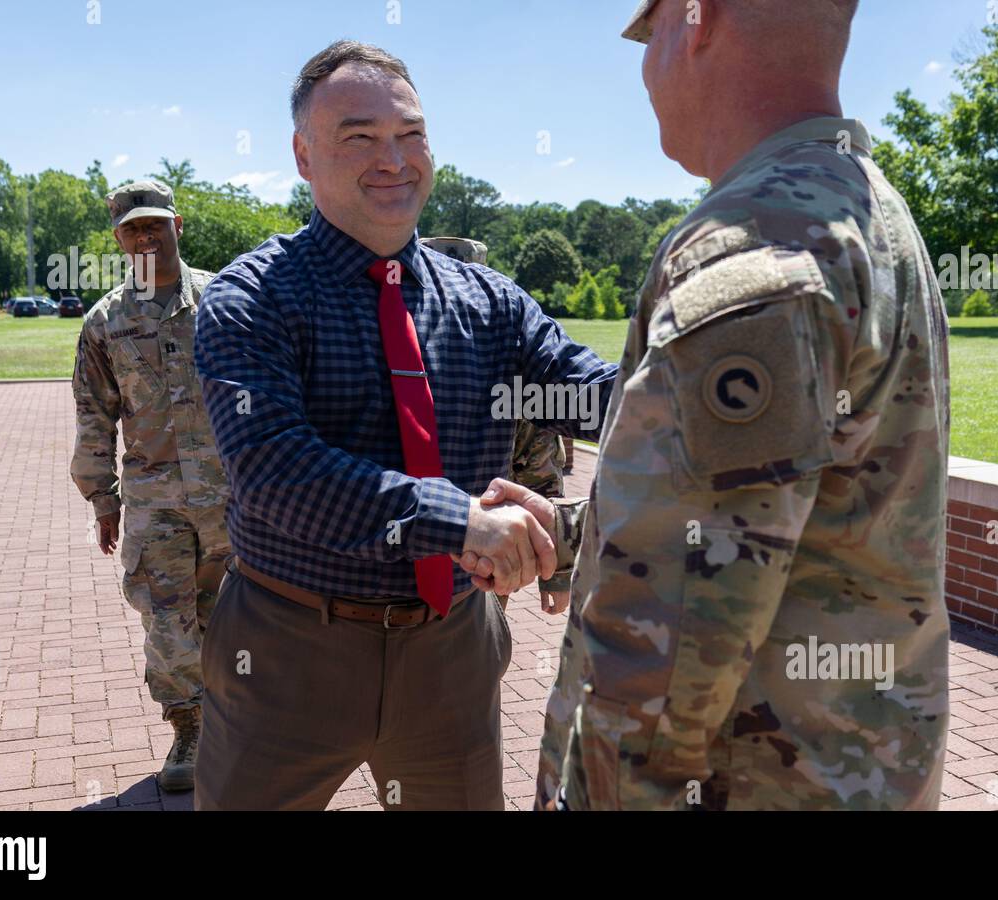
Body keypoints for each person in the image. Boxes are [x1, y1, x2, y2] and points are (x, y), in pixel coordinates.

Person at [476, 0, 952, 810]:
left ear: (695, 21)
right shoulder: (859, 209)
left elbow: (682, 628)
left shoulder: (759, 239)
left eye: (645, 32)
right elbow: (785, 506)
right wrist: (577, 534)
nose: (643, 66)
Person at [192, 40, 616, 811]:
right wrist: (459, 522)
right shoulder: (253, 298)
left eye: (411, 135)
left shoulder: (490, 305)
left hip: (450, 652)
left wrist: (699, 370)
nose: (393, 159)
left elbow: (588, 398)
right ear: (302, 155)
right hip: (287, 648)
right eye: (359, 137)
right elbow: (274, 470)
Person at [70, 180, 231, 793]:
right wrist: (101, 496)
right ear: (118, 237)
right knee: (166, 620)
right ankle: (188, 725)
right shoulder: (105, 322)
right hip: (154, 502)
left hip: (228, 497)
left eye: (154, 224)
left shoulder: (224, 301)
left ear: (177, 225)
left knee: (237, 615)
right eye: (132, 228)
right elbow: (94, 412)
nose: (145, 236)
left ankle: (241, 721)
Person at [422, 236, 572, 616]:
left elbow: (540, 472)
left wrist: (557, 574)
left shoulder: (511, 363)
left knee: (474, 668)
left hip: (483, 566)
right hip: (378, 567)